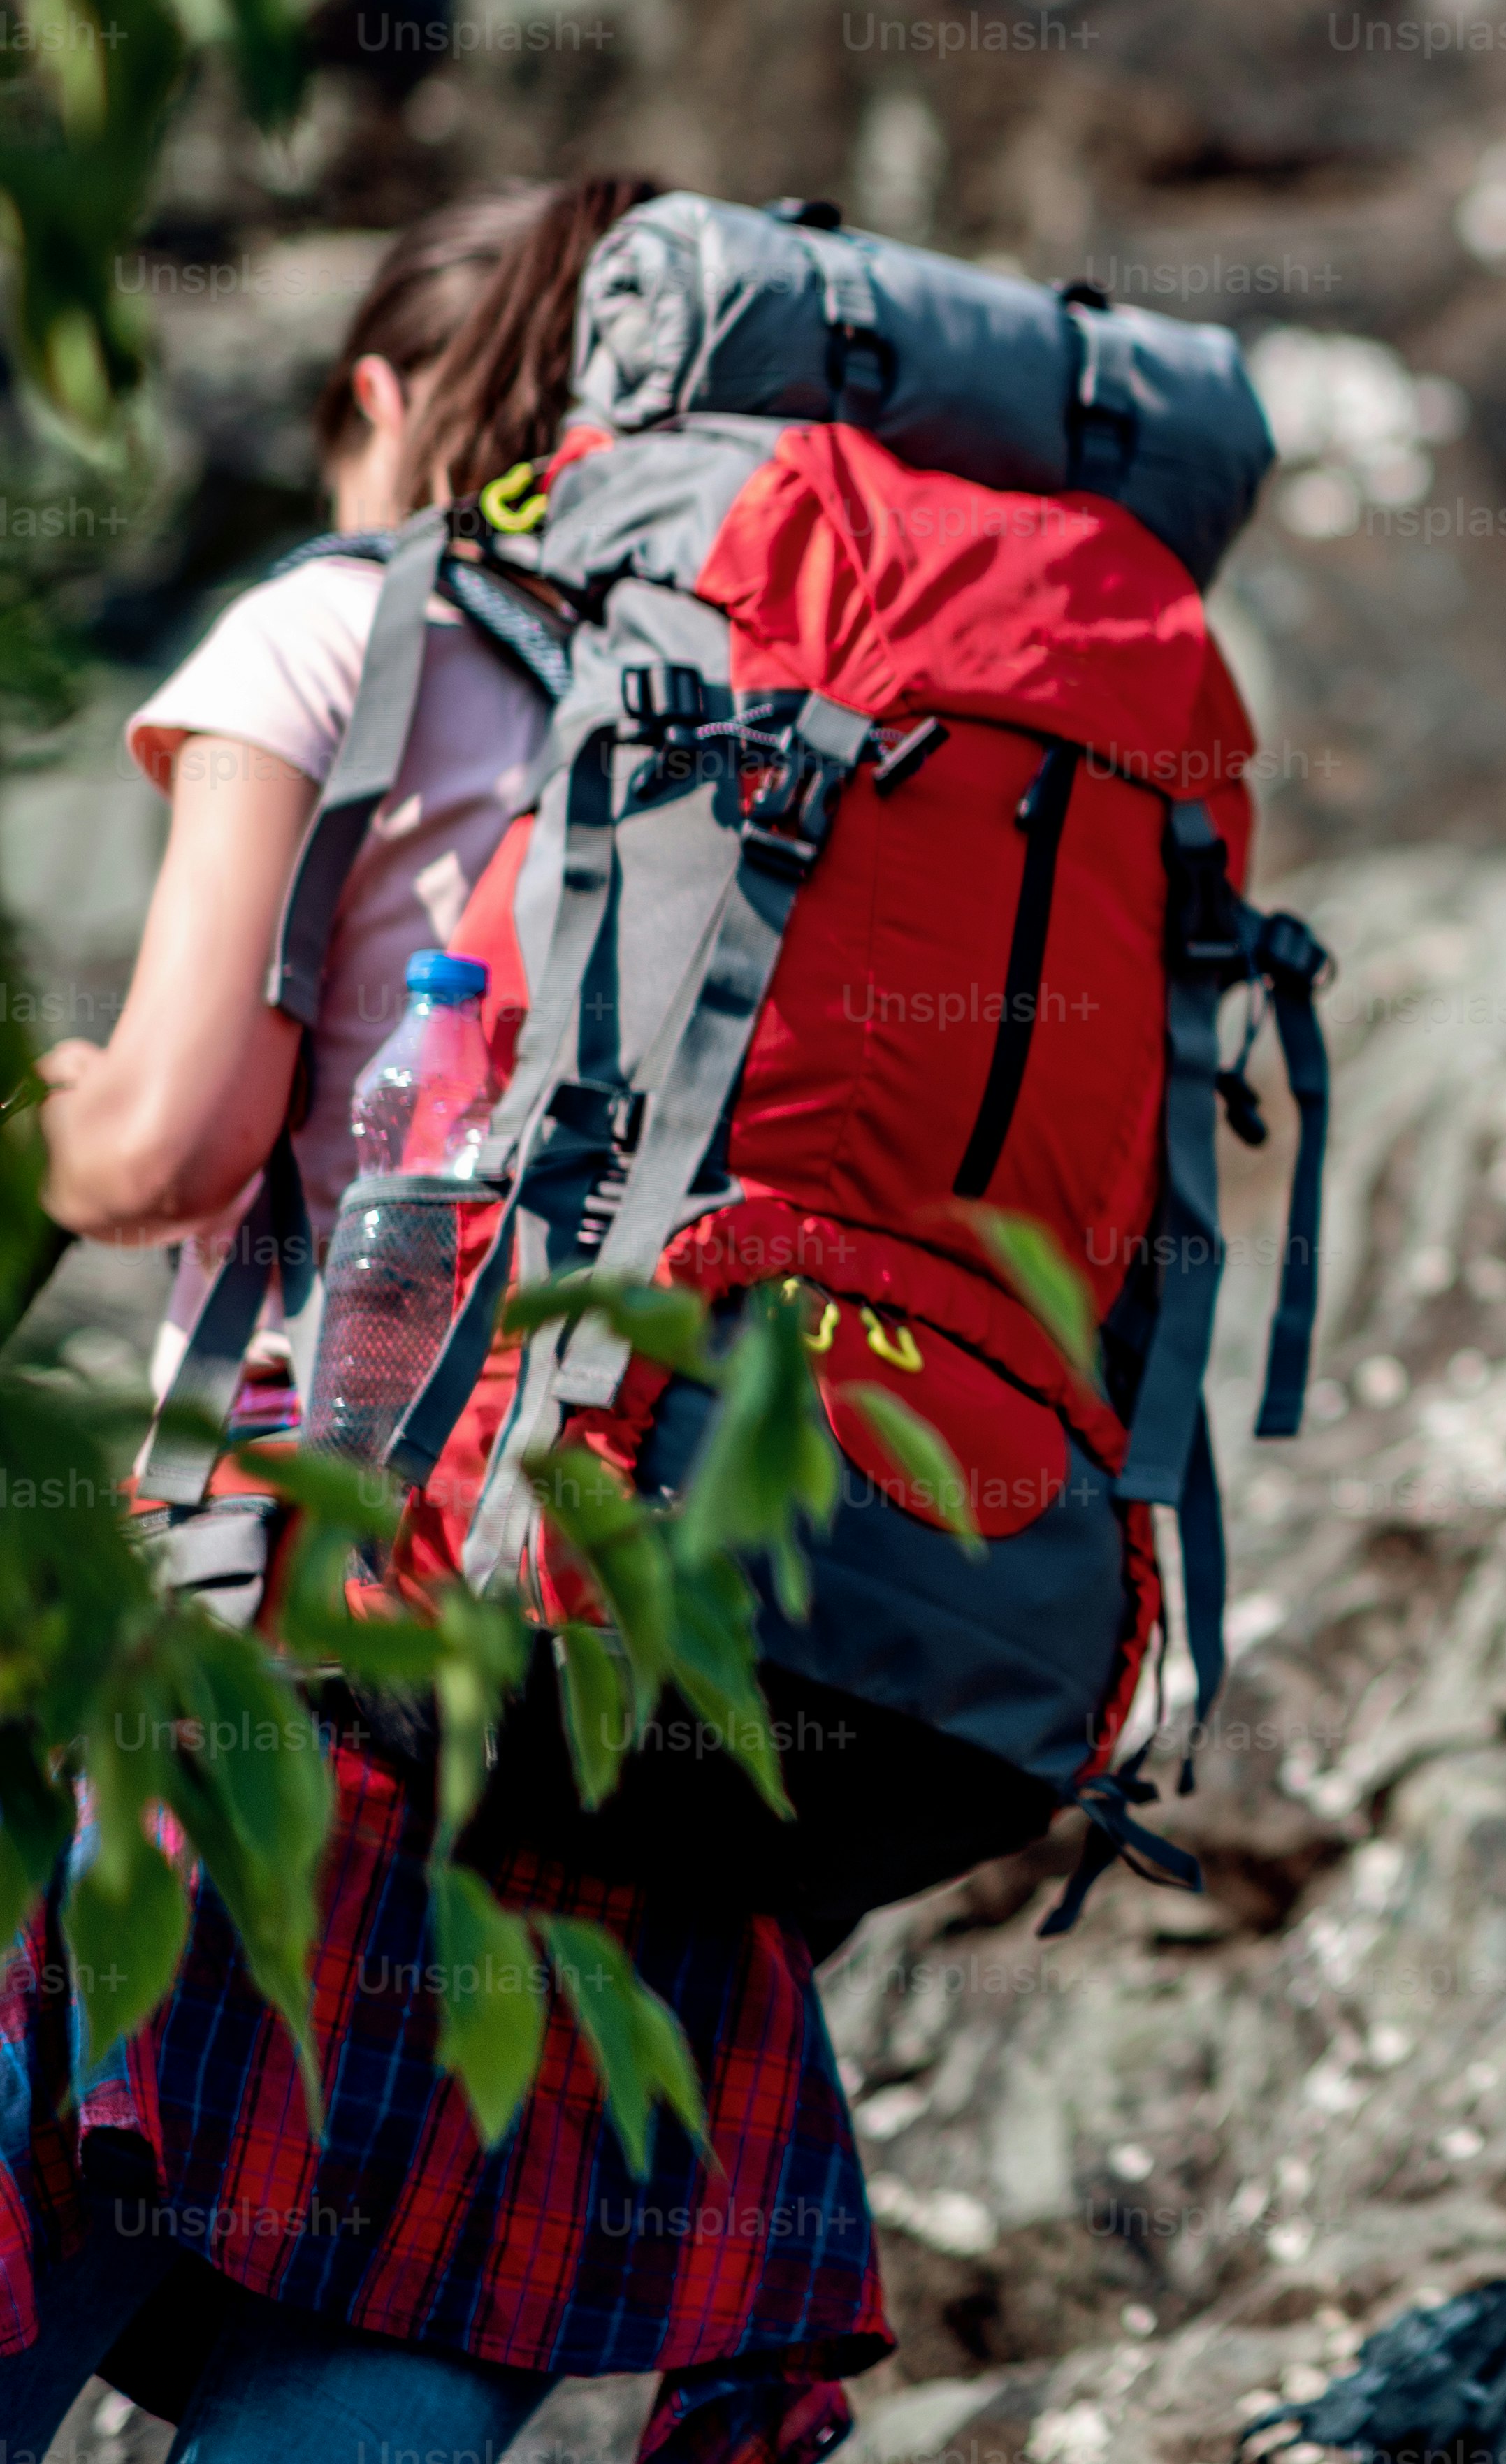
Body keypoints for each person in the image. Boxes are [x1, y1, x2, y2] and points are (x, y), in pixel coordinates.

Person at [4, 174, 893, 2464]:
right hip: (643, 1729)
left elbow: (177, 1153)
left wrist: (62, 1117)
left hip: (278, 1648)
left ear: (384, 400)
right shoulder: (852, 718)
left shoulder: (343, 628)